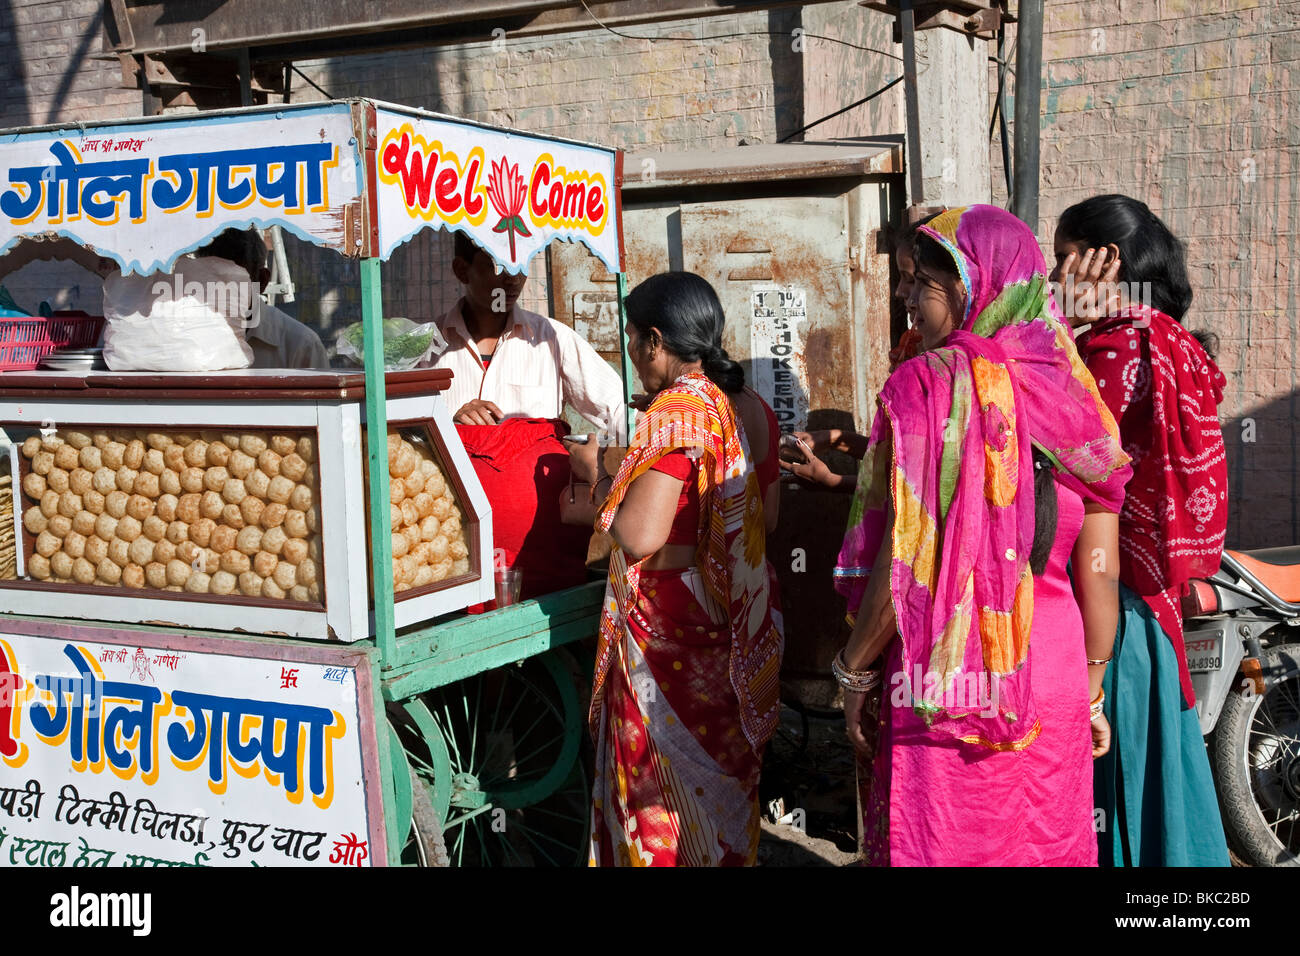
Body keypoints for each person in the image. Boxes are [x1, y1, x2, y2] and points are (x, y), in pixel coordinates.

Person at [836, 204, 1134, 865]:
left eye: (922, 281)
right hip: (1054, 672)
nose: (906, 297)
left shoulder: (930, 387)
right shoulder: (1078, 401)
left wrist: (852, 671)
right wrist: (1090, 690)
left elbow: (906, 568)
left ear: (972, 285)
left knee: (947, 844)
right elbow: (1101, 570)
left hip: (952, 677)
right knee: (1043, 846)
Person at [566, 271, 783, 866]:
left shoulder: (676, 413)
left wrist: (596, 475)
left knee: (656, 790)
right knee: (714, 777)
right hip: (717, 614)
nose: (633, 356)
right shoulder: (722, 401)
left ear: (655, 341)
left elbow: (640, 533)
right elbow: (765, 513)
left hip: (667, 620)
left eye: (633, 340)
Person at [1051, 194, 1230, 867]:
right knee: (1152, 762)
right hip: (1141, 585)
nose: (1055, 272)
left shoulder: (1116, 344)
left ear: (1106, 261)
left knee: (1118, 765)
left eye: (1066, 257)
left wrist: (1058, 333)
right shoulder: (1158, 334)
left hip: (1109, 589)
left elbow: (1071, 449)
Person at [782, 214, 936, 491]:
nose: (901, 292)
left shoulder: (954, 373)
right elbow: (900, 458)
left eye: (913, 280)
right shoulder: (915, 347)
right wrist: (835, 440)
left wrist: (834, 482)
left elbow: (918, 486)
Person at [429, 232, 626, 437]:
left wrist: (657, 444)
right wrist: (449, 426)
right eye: (500, 265)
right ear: (462, 270)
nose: (514, 278)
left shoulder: (553, 339)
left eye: (523, 263)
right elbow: (402, 432)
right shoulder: (426, 349)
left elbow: (620, 410)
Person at [194, 229, 330, 370]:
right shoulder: (182, 338)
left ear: (262, 281)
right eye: (208, 281)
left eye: (233, 282)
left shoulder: (301, 345)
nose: (219, 292)